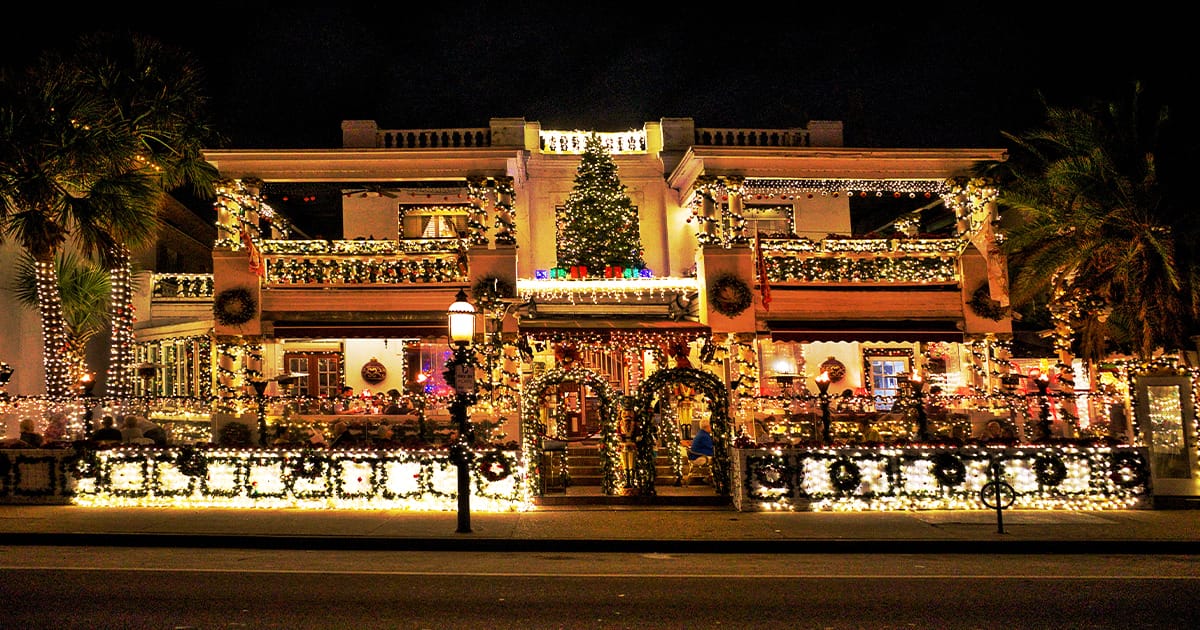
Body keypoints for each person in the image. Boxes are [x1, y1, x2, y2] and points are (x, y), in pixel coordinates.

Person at [683, 420, 714, 485]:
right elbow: (710, 447)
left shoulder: (700, 433)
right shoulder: (705, 436)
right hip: (698, 457)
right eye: (710, 426)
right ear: (707, 427)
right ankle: (711, 478)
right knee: (716, 460)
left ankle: (709, 477)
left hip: (694, 456)